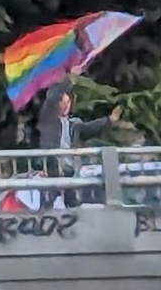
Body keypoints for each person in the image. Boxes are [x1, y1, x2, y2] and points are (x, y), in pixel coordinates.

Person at [37, 75, 122, 209]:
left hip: (69, 169)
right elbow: (47, 144)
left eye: (68, 101)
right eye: (64, 100)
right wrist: (66, 83)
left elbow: (90, 128)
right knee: (49, 202)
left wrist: (109, 120)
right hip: (54, 169)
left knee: (71, 203)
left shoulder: (74, 124)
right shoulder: (50, 122)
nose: (67, 104)